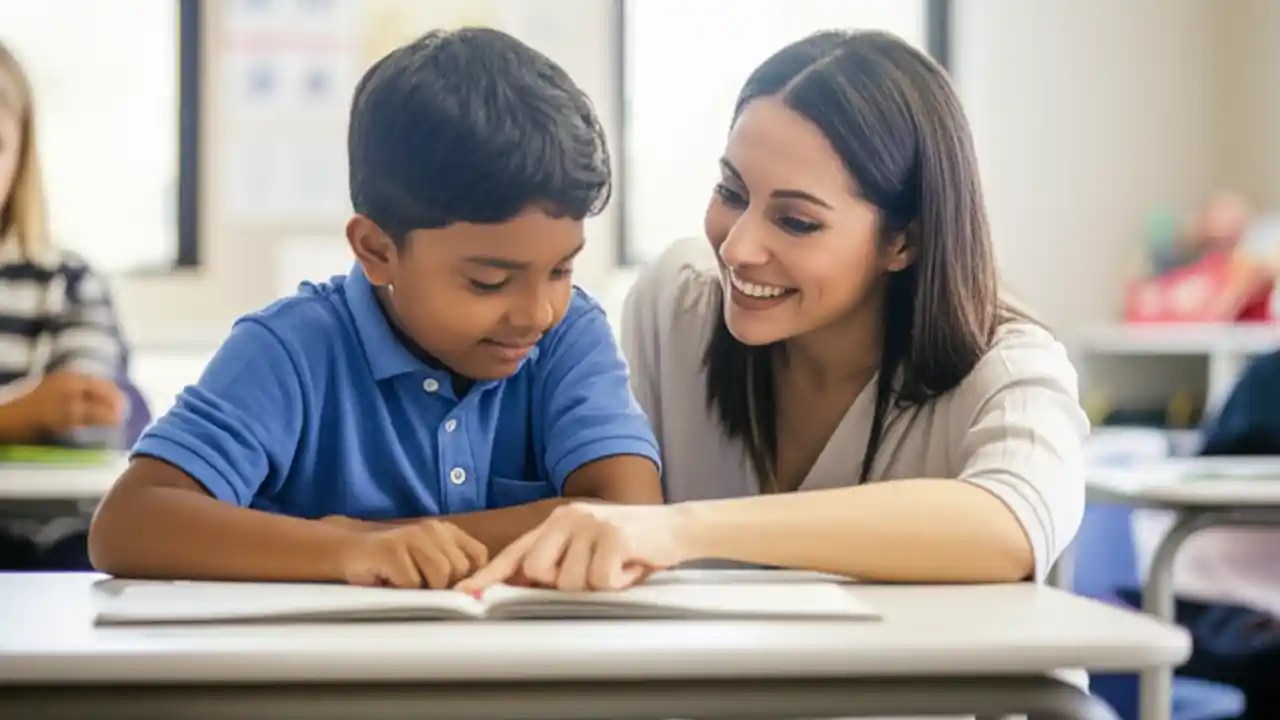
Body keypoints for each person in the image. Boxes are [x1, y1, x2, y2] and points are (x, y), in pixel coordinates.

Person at [461, 30, 1088, 594]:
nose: (737, 248)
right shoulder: (677, 306)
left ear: (906, 241)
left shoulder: (1006, 365)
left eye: (795, 221)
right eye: (731, 192)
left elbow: (1010, 523)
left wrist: (682, 529)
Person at [88, 29, 662, 589]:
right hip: (320, 682)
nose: (537, 312)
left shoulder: (568, 336)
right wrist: (348, 552)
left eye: (561, 270)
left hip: (519, 679)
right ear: (378, 251)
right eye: (490, 281)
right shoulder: (292, 349)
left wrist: (393, 536)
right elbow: (130, 523)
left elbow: (631, 517)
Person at [0, 41, 142, 570]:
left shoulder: (67, 281)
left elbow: (84, 410)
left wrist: (49, 412)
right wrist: (18, 414)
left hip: (47, 545)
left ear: (21, 159)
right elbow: (41, 411)